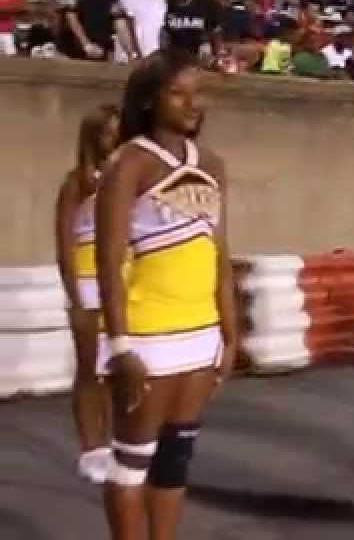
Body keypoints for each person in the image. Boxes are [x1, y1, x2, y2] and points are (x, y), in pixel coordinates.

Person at [95, 54, 237, 540]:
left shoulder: (212, 164)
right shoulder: (129, 162)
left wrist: (230, 331)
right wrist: (119, 345)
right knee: (133, 462)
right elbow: (108, 260)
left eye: (199, 92)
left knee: (175, 460)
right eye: (179, 93)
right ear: (150, 99)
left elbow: (220, 254)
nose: (194, 103)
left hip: (200, 332)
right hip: (146, 334)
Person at [54, 104, 120, 484]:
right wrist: (75, 296)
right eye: (109, 132)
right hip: (88, 279)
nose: (116, 139)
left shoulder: (129, 179)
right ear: (94, 138)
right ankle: (91, 447)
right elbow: (64, 245)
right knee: (89, 368)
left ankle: (115, 441)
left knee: (117, 368)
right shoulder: (77, 182)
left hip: (121, 279)